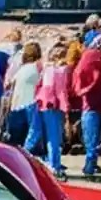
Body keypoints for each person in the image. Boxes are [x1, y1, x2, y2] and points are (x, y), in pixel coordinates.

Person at [74, 35, 101, 177]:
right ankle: (89, 166)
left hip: (93, 103)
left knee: (92, 136)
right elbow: (96, 77)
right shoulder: (96, 58)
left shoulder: (90, 57)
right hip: (96, 104)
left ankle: (91, 164)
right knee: (93, 136)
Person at [31, 44, 70, 179]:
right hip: (53, 105)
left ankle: (52, 162)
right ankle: (54, 165)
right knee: (54, 137)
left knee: (45, 135)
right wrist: (64, 106)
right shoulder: (59, 71)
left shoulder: (46, 69)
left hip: (43, 104)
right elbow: (59, 89)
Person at [5, 41, 43, 148]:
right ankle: (27, 152)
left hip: (16, 104)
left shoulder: (22, 68)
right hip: (31, 101)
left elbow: (9, 85)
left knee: (17, 134)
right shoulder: (38, 66)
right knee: (34, 130)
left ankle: (18, 152)